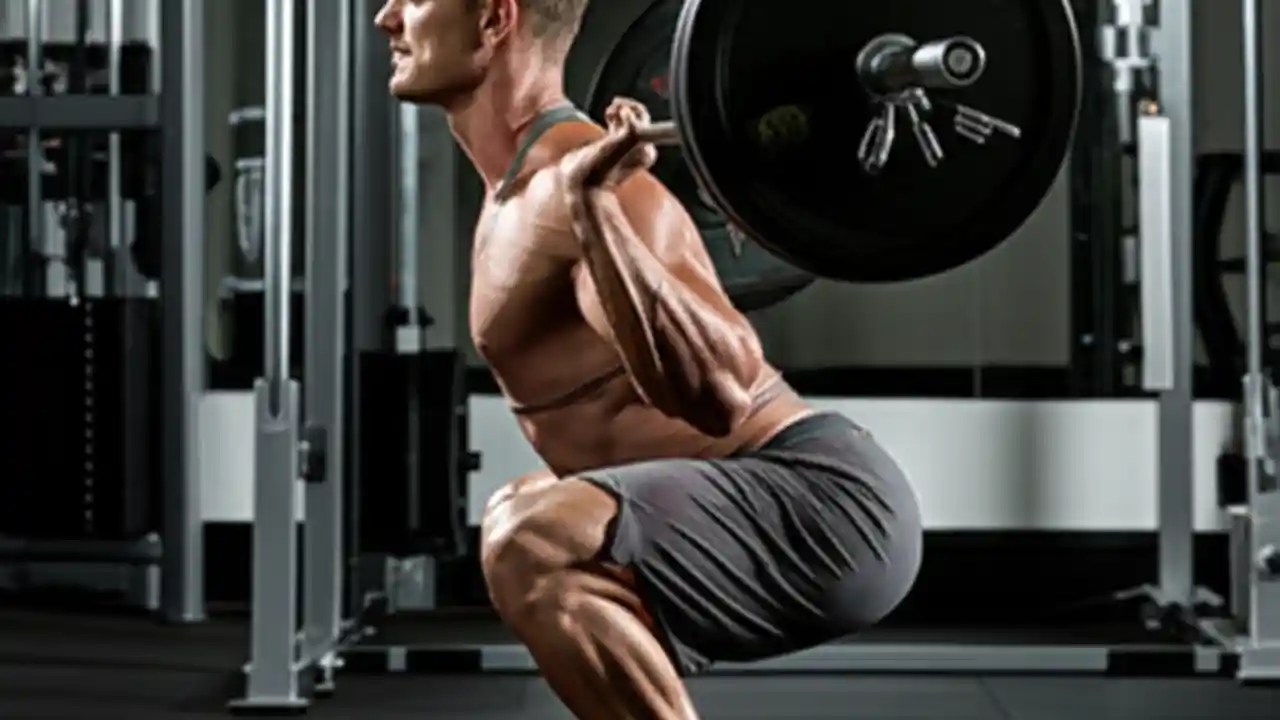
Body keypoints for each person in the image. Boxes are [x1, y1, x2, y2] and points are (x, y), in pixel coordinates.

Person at [375, 0, 923, 717]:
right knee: (525, 510)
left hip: (818, 502)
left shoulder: (590, 186)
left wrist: (596, 215)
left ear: (493, 21)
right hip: (750, 499)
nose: (388, 16)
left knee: (530, 539)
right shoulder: (523, 187)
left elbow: (721, 394)